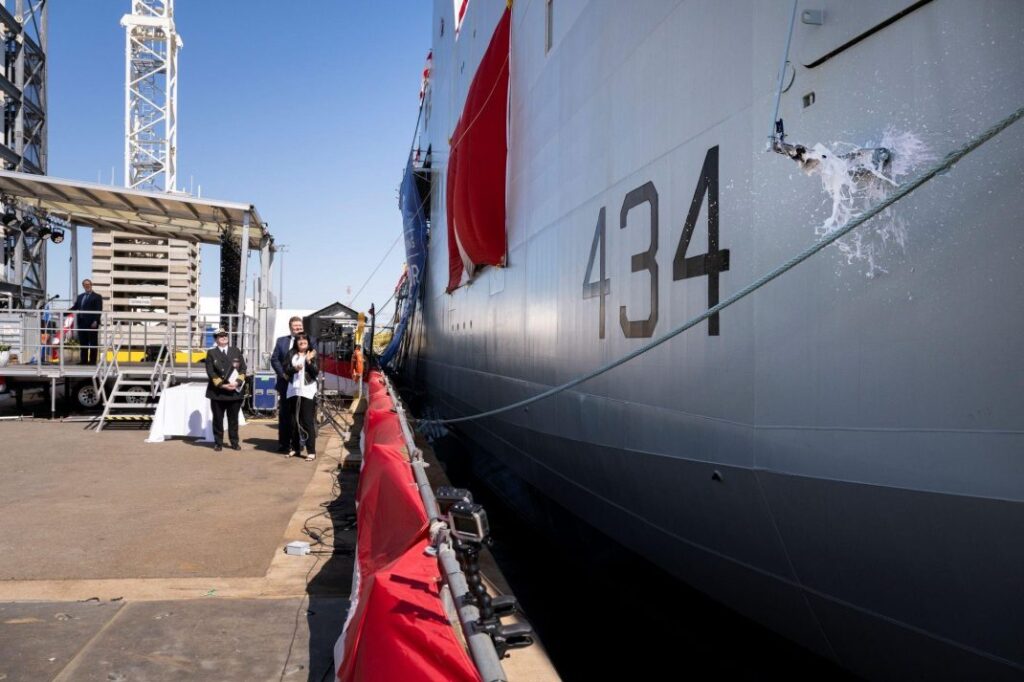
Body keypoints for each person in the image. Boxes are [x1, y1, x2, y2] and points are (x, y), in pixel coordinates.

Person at [270, 316, 315, 453]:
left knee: (302, 417)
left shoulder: (309, 340)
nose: (298, 328)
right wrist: (283, 373)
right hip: (285, 384)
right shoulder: (281, 341)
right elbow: (275, 359)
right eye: (295, 326)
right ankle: (284, 444)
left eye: (300, 326)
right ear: (290, 327)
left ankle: (299, 444)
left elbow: (314, 358)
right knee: (285, 416)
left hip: (304, 386)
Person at [205, 328, 247, 452]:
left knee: (233, 420)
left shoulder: (236, 351)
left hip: (234, 391)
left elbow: (243, 369)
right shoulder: (212, 353)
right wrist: (222, 385)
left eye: (225, 335)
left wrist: (237, 383)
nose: (223, 337)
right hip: (218, 392)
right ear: (216, 339)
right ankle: (218, 443)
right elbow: (211, 372)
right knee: (218, 419)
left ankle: (234, 442)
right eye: (220, 336)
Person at [284, 333, 319, 461]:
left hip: (307, 391)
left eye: (304, 339)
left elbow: (315, 372)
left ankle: (311, 451)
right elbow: (286, 370)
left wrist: (308, 361)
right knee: (293, 421)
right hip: (293, 390)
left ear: (308, 342)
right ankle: (295, 448)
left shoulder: (313, 354)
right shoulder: (291, 354)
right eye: (299, 340)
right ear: (296, 343)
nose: (302, 341)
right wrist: (294, 368)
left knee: (307, 421)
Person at [69, 279, 103, 364]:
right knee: (83, 343)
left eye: (88, 284)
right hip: (82, 323)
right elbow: (75, 307)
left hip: (92, 324)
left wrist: (95, 321)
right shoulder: (80, 296)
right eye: (85, 285)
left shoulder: (97, 296)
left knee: (93, 343)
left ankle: (92, 361)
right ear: (83, 286)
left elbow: (99, 310)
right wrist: (65, 312)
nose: (87, 286)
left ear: (91, 285)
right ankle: (83, 361)